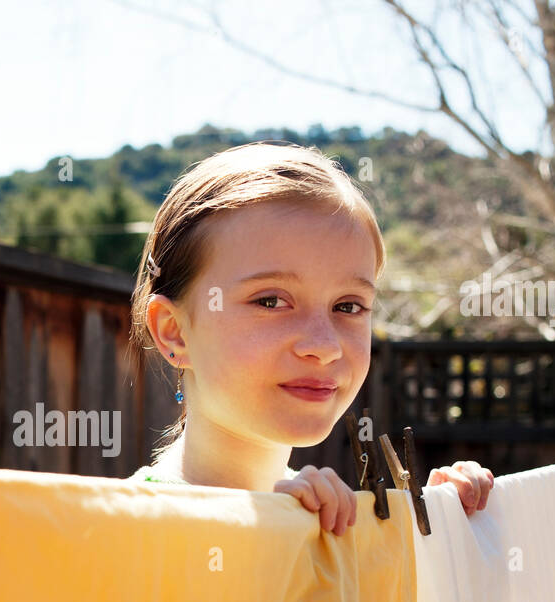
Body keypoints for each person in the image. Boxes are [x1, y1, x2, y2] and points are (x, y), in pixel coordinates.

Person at [128, 142, 493, 536]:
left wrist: (438, 534)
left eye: (348, 306)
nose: (324, 345)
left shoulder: (325, 516)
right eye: (270, 301)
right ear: (175, 332)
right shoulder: (124, 532)